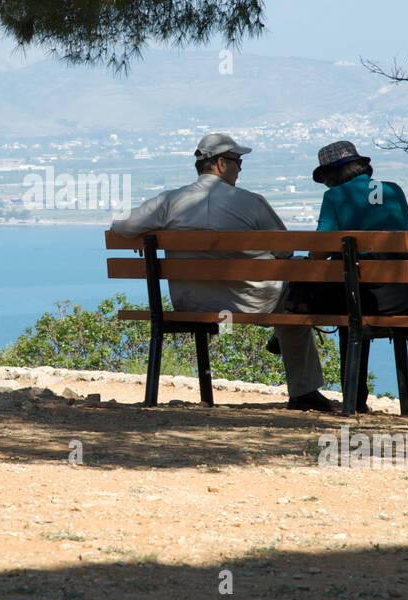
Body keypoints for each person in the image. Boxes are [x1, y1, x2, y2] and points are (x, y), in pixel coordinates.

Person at [111, 132, 335, 412]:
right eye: (237, 160)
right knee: (296, 294)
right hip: (256, 303)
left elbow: (120, 225)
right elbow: (284, 252)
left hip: (190, 303)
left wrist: (150, 232)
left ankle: (285, 348)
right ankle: (304, 393)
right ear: (219, 163)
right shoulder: (252, 202)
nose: (241, 167)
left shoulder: (168, 201)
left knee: (291, 296)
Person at [294, 140, 408, 417]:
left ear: (333, 175)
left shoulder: (334, 198)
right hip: (404, 298)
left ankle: (354, 400)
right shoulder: (392, 190)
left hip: (358, 299)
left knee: (349, 312)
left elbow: (318, 252)